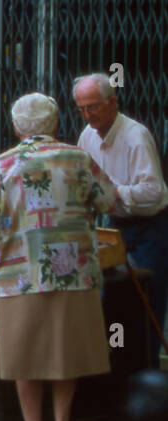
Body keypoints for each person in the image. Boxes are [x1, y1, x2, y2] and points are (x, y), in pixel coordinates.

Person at [0, 93, 117, 421]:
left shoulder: (3, 164)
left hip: (21, 272)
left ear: (17, 127)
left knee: (25, 353)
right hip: (75, 271)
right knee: (64, 351)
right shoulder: (79, 158)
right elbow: (110, 201)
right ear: (54, 125)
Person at [73, 72, 168, 365]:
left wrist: (114, 193)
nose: (88, 115)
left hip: (150, 227)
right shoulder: (87, 136)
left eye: (94, 107)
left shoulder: (135, 136)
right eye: (82, 109)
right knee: (114, 300)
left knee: (147, 302)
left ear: (112, 103)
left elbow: (154, 191)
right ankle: (120, 371)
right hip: (116, 227)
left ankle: (147, 375)